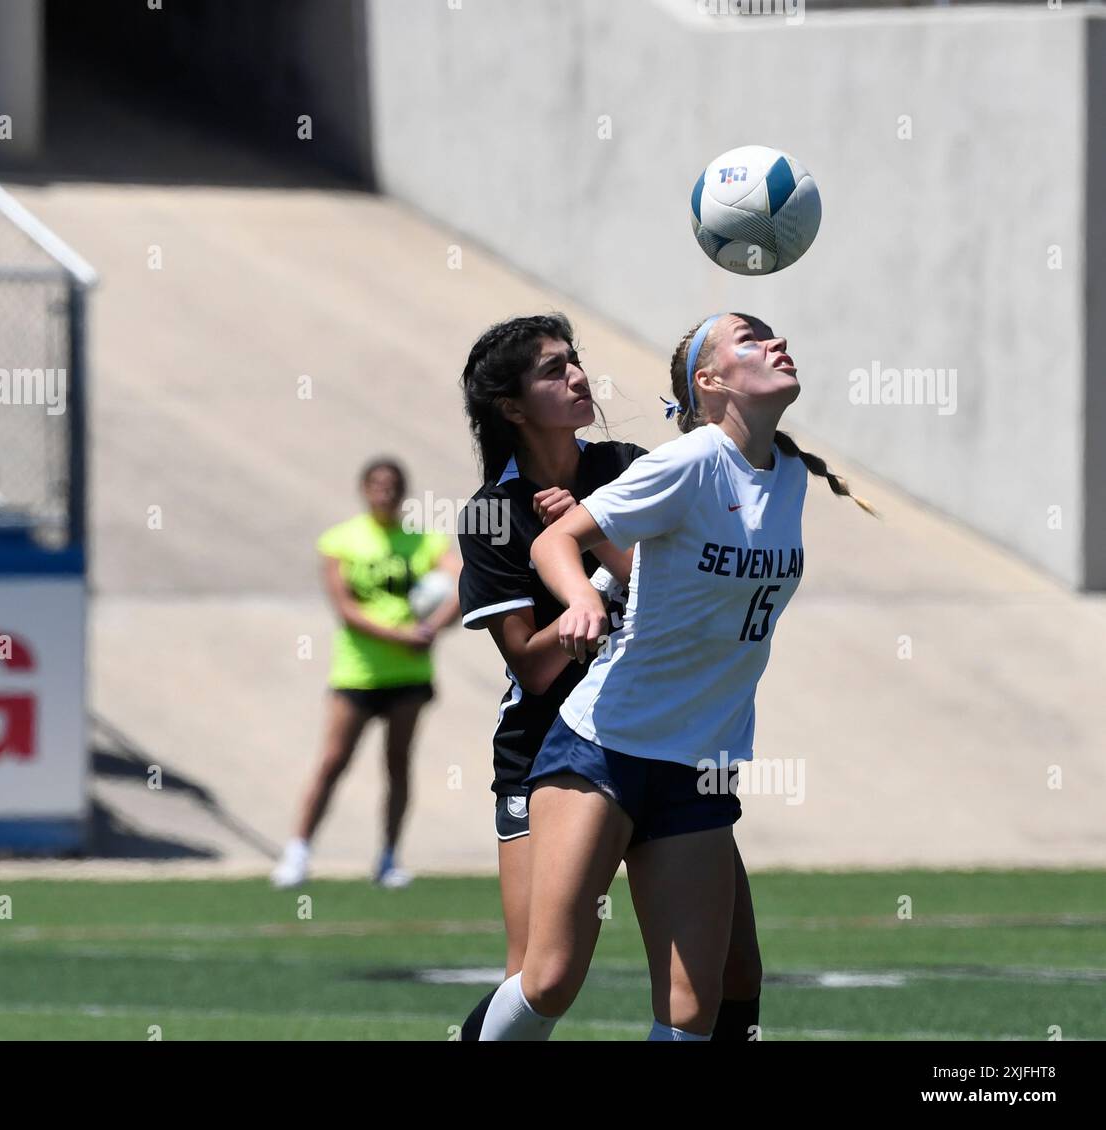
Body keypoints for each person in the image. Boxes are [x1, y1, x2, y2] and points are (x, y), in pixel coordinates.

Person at [477, 312, 875, 1041]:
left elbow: (669, 571)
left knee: (694, 1009)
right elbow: (556, 545)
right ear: (710, 380)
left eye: (776, 333)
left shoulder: (788, 477)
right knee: (548, 980)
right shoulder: (688, 461)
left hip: (699, 761)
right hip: (603, 745)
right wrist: (585, 598)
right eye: (751, 340)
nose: (778, 343)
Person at [454, 313, 770, 1042]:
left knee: (733, 973)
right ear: (511, 408)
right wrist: (583, 595)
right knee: (539, 976)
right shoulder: (495, 517)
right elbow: (532, 670)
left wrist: (596, 533)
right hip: (548, 750)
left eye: (575, 360)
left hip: (660, 735)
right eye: (552, 369)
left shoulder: (625, 465)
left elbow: (671, 590)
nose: (577, 376)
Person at [271, 457, 461, 889]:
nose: (384, 491)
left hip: (409, 674)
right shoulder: (341, 541)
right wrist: (400, 635)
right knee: (333, 761)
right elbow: (346, 609)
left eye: (392, 484)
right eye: (376, 483)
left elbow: (464, 579)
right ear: (363, 488)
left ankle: (389, 857)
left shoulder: (423, 541)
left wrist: (434, 625)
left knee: (397, 763)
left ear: (404, 490)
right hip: (357, 672)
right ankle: (297, 852)